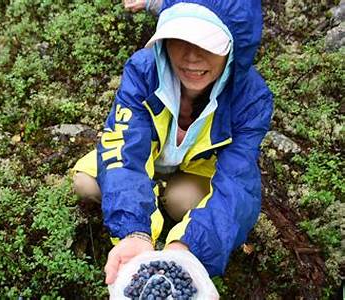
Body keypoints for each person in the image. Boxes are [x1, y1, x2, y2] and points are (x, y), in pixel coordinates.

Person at [73, 0, 273, 285]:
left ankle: (174, 218)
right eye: (179, 38)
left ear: (233, 47)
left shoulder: (250, 99)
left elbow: (238, 185)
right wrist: (135, 232)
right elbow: (123, 149)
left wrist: (188, 249)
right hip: (148, 158)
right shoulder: (143, 71)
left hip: (196, 170)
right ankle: (146, 212)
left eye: (207, 43)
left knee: (182, 200)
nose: (191, 57)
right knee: (86, 182)